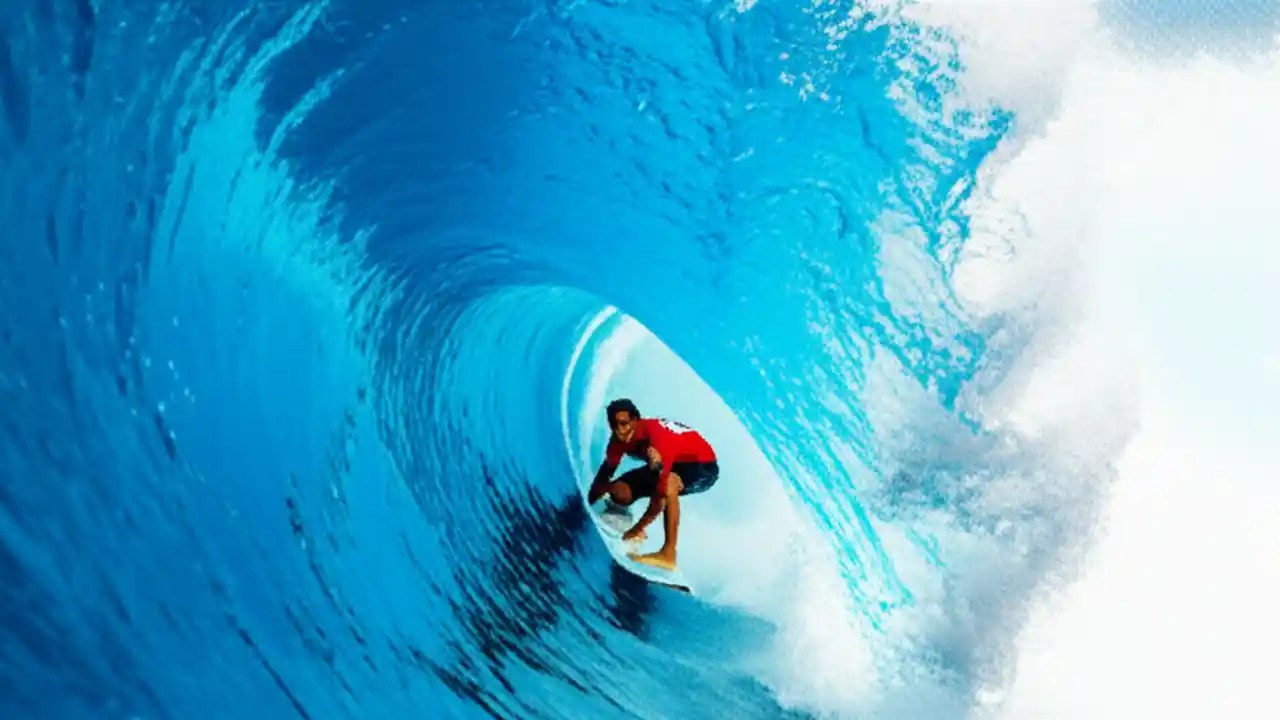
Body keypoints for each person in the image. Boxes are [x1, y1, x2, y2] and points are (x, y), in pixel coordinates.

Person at [586, 398, 719, 571]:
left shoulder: (657, 438)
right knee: (619, 492)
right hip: (670, 463)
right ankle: (623, 516)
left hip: (702, 467)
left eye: (624, 424)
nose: (620, 430)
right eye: (614, 425)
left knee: (669, 484)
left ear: (635, 420)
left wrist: (637, 529)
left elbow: (660, 495)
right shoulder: (618, 441)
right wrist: (587, 504)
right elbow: (605, 473)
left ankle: (668, 554)